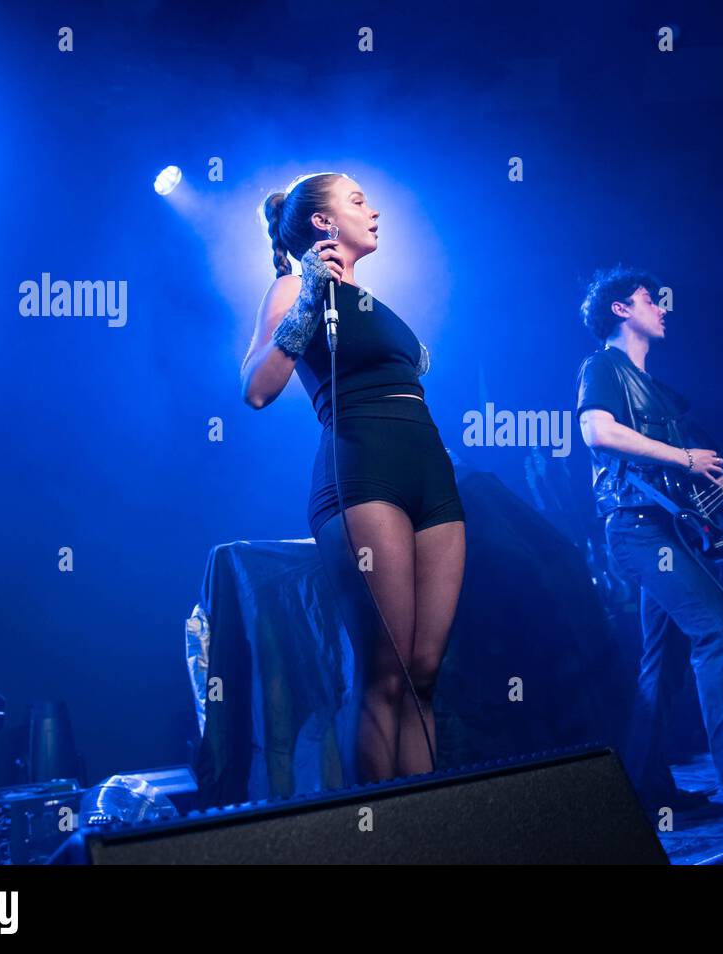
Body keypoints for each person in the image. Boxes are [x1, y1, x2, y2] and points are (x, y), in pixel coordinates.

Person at [241, 172, 465, 783]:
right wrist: (312, 293)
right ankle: (374, 839)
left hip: (429, 472)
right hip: (361, 472)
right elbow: (256, 390)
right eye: (358, 200)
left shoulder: (374, 300)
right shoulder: (293, 287)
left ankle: (428, 833)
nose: (375, 211)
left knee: (423, 674)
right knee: (384, 672)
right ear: (322, 222)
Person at [574, 264, 723, 830]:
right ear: (620, 311)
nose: (662, 307)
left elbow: (689, 488)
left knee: (662, 666)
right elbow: (596, 433)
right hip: (635, 530)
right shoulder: (603, 365)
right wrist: (683, 458)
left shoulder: (662, 394)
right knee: (721, 628)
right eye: (648, 299)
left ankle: (647, 792)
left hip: (670, 529)